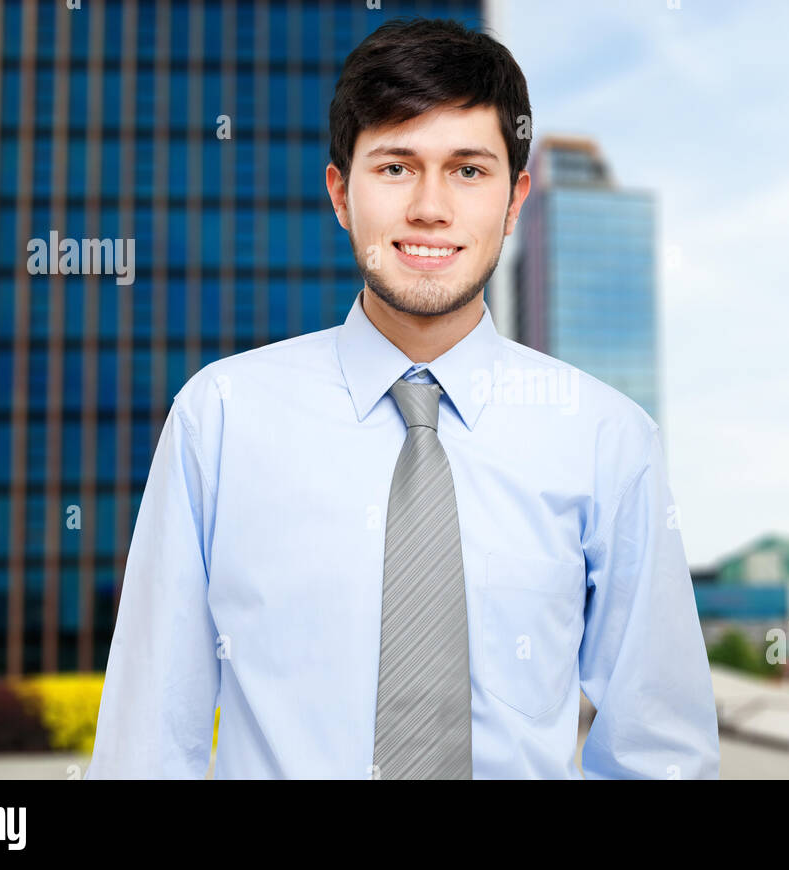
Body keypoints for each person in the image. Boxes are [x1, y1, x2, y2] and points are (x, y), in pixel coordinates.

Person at [86, 16, 718, 780]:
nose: (429, 207)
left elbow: (661, 753)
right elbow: (150, 741)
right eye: (394, 167)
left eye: (468, 170)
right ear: (340, 194)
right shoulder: (219, 419)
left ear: (515, 200)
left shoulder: (607, 439)